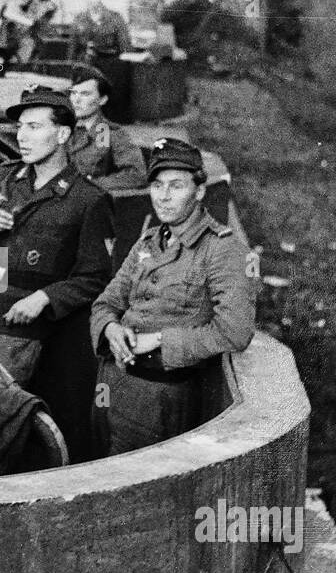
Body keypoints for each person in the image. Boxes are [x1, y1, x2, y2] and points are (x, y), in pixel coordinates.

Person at [89, 138, 254, 455]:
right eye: (157, 185)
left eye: (176, 186)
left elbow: (235, 331)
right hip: (109, 385)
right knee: (97, 459)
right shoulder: (148, 242)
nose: (163, 197)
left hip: (161, 397)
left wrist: (163, 339)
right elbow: (105, 303)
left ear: (200, 191)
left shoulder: (222, 249)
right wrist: (110, 328)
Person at [0, 88, 114, 387]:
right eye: (20, 127)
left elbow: (94, 278)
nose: (22, 136)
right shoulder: (2, 177)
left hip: (13, 332)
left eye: (34, 127)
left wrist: (45, 297)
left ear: (63, 134)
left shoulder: (89, 200)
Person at [66, 69, 147, 190]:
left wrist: (91, 186)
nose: (76, 100)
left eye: (85, 94)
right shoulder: (63, 130)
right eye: (73, 93)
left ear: (102, 100)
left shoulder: (112, 134)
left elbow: (137, 175)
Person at [68, 0, 132, 62]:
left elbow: (126, 49)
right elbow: (72, 51)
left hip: (109, 67)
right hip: (84, 67)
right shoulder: (79, 20)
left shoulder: (115, 19)